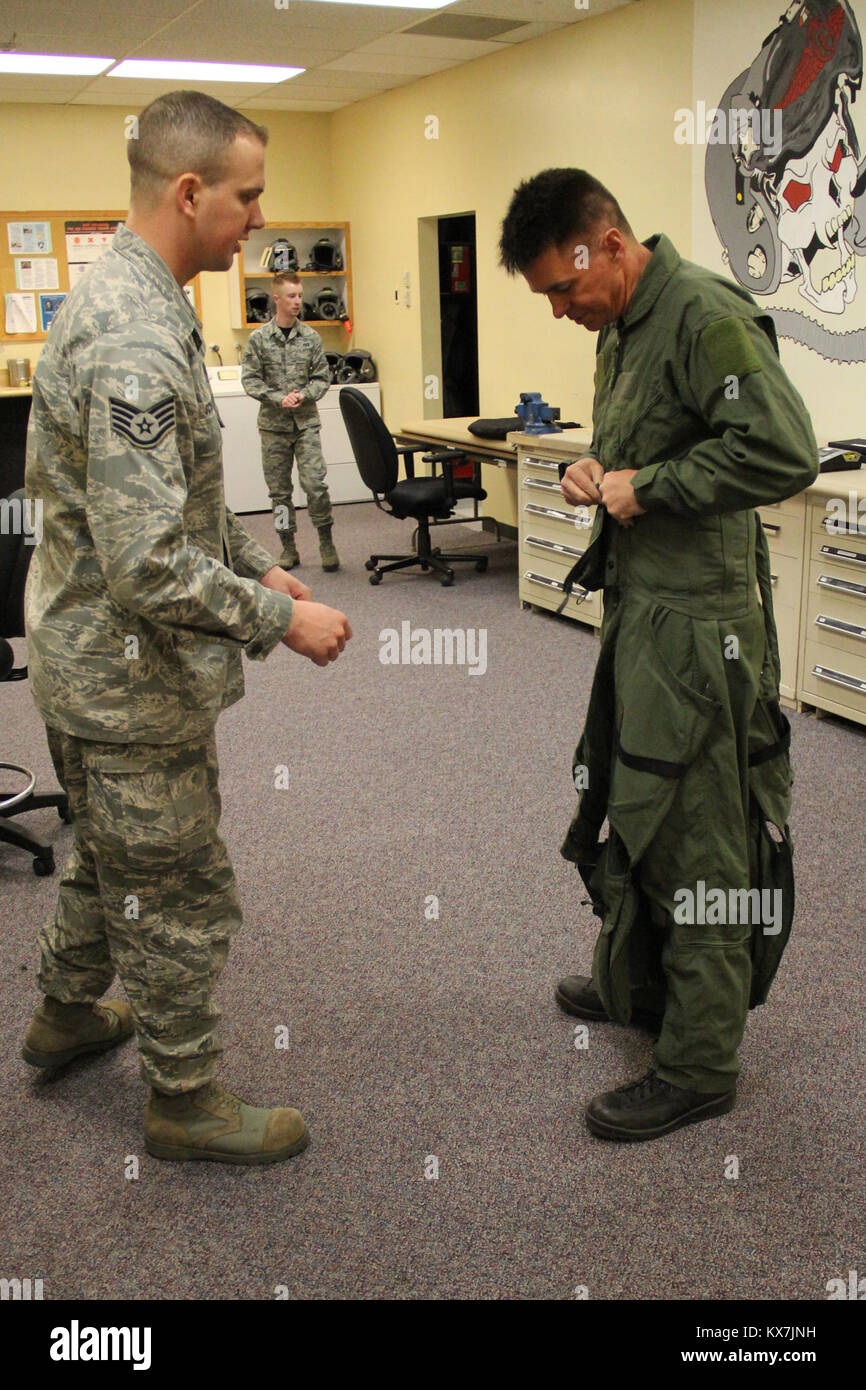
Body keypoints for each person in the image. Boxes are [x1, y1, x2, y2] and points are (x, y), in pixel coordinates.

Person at [21, 90, 352, 1166]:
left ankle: (66, 1013)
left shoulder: (141, 300)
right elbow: (145, 560)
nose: (258, 217)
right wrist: (276, 622)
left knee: (103, 856)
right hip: (124, 674)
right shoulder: (135, 340)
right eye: (248, 195)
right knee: (174, 882)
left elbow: (178, 501)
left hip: (88, 664)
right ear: (189, 190)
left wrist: (260, 560)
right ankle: (184, 1097)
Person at [499, 168, 818, 1141]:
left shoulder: (700, 314)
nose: (559, 310)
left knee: (699, 834)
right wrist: (597, 472)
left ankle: (698, 1063)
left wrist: (655, 486)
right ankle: (636, 984)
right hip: (642, 615)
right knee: (631, 803)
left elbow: (782, 451)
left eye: (562, 288)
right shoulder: (622, 330)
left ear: (605, 242)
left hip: (701, 631)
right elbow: (647, 451)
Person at [241, 272, 339, 572]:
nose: (298, 302)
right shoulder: (258, 339)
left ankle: (326, 542)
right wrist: (275, 398)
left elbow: (323, 376)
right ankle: (288, 547)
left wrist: (305, 395)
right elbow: (250, 379)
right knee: (280, 493)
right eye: (292, 296)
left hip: (305, 423)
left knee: (315, 485)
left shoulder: (310, 337)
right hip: (273, 427)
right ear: (277, 299)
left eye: (299, 295)